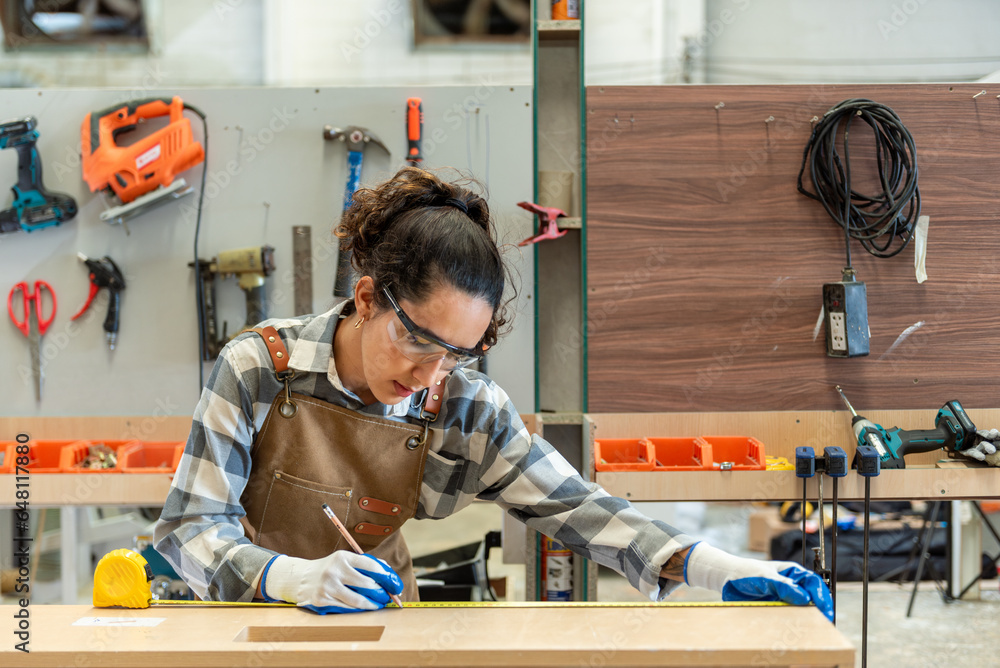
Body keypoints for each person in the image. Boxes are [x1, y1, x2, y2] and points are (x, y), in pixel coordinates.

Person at [154, 166, 833, 620]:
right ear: (366, 298)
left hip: (378, 628)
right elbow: (189, 529)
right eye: (416, 340)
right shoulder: (257, 367)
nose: (430, 376)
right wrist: (288, 577)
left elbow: (580, 508)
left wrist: (714, 568)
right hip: (241, 624)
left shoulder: (466, 408)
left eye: (456, 354)